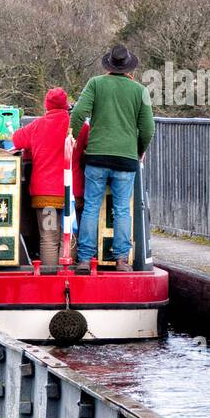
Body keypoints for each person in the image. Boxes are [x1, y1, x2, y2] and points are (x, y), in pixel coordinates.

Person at [69, 42, 155, 273]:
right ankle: (121, 261)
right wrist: (138, 151)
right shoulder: (141, 91)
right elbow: (148, 128)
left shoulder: (96, 84)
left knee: (90, 207)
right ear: (130, 69)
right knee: (122, 210)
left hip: (96, 156)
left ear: (109, 65)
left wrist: (75, 138)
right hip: (125, 160)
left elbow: (78, 113)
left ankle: (85, 260)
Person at [11, 89, 89, 274]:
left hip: (45, 196)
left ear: (47, 106)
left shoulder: (37, 126)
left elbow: (16, 139)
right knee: (69, 235)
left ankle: (49, 276)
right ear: (66, 105)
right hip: (70, 193)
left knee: (48, 236)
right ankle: (67, 273)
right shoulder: (80, 127)